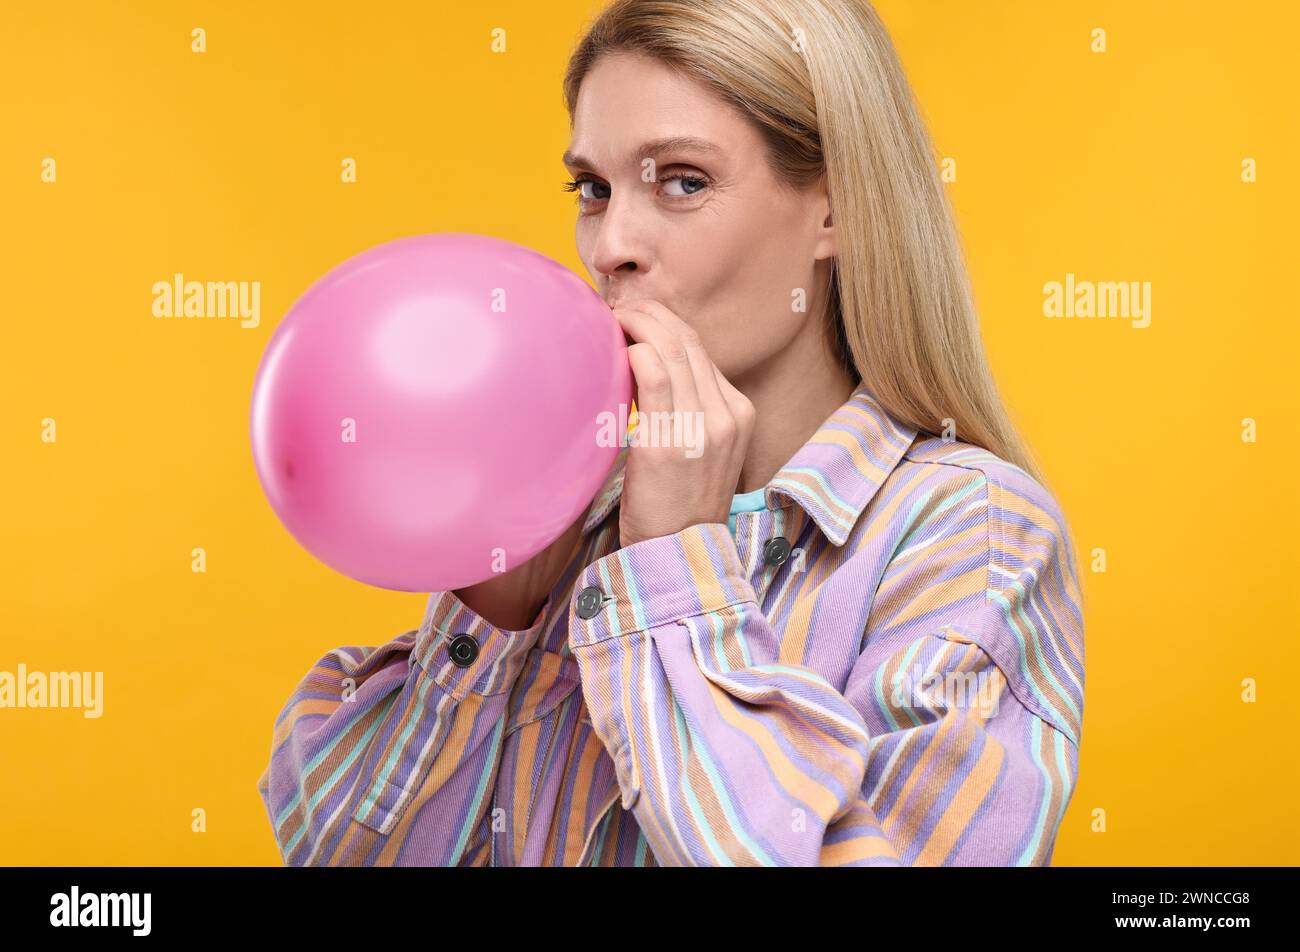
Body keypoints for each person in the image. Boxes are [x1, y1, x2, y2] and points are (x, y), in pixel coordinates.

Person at [258, 0, 1085, 866]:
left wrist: (677, 577)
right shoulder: (565, 526)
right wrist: (493, 619)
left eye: (682, 181)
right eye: (593, 189)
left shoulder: (974, 534)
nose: (610, 244)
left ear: (836, 211)